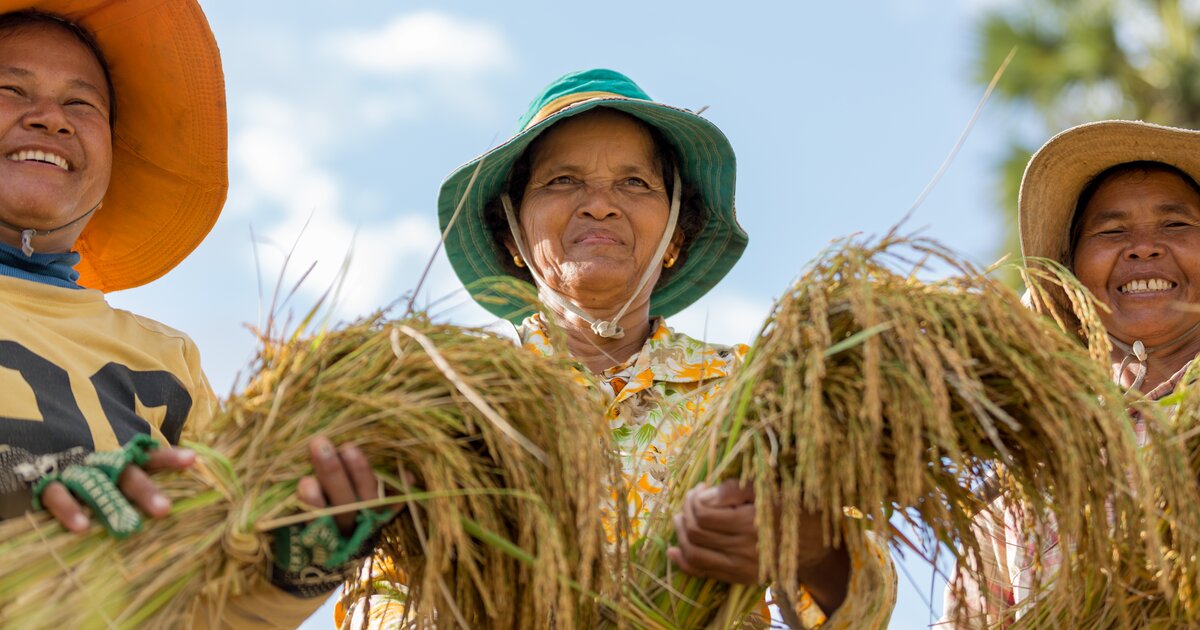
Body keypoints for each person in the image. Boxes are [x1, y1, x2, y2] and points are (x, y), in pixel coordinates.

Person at [338, 68, 896, 628]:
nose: (600, 204)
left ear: (676, 235)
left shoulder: (756, 393)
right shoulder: (454, 403)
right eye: (562, 181)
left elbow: (865, 606)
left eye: (634, 183)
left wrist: (811, 548)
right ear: (512, 236)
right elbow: (382, 591)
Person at [0, 3, 381, 627]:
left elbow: (210, 608)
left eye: (81, 105)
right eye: (11, 90)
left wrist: (291, 573)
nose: (50, 118)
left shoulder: (167, 361)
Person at [940, 120, 1200, 625]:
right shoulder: (1028, 467)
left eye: (1175, 225)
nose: (1143, 247)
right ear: (1070, 273)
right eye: (1112, 231)